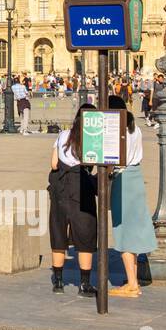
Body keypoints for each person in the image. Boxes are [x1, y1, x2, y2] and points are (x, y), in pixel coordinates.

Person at [105, 96, 155, 298]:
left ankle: (132, 284)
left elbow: (113, 158)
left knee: (123, 230)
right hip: (136, 176)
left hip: (122, 178)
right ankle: (132, 280)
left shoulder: (117, 131)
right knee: (132, 229)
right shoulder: (135, 128)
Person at [48, 104, 98, 296]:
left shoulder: (63, 135)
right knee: (85, 234)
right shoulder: (92, 138)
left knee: (58, 232)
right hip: (81, 188)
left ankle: (58, 282)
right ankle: (84, 284)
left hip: (60, 188)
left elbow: (53, 164)